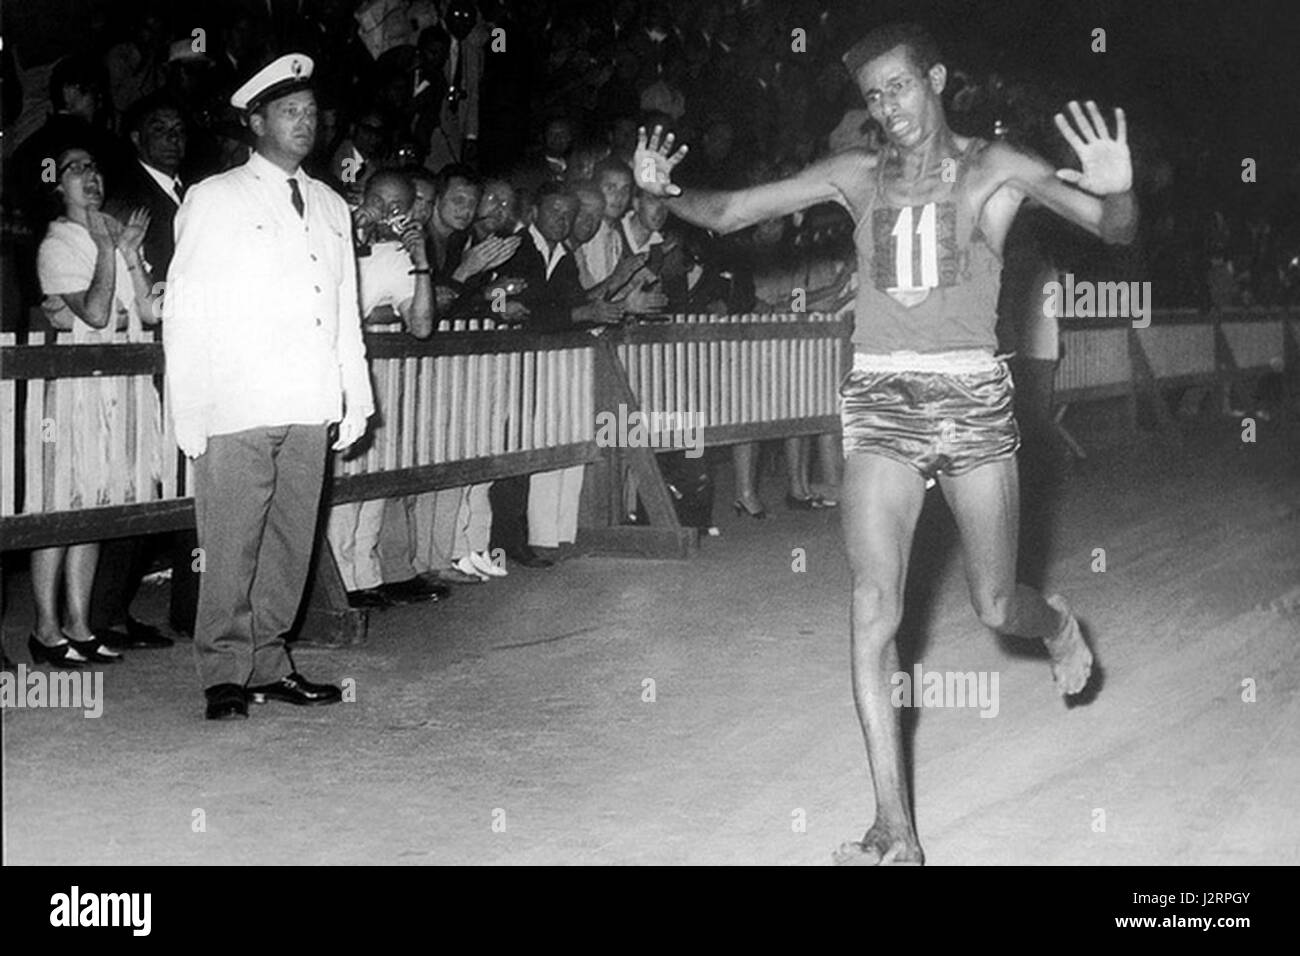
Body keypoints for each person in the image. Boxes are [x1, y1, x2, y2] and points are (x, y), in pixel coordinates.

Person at [634, 22, 1136, 865]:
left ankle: (1055, 627)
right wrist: (663, 190)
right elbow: (729, 211)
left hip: (971, 401)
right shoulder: (855, 174)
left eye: (900, 86)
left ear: (936, 79)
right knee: (873, 606)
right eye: (873, 95)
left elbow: (1112, 230)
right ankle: (894, 828)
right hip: (879, 400)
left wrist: (1119, 191)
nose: (888, 106)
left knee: (996, 606)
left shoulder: (995, 166)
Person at [164, 54, 374, 721]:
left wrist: (356, 395)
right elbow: (186, 309)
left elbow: (343, 308)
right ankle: (225, 671)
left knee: (290, 541)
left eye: (310, 112)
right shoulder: (216, 197)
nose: (304, 123)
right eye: (289, 112)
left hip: (308, 399)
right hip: (239, 400)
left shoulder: (331, 205)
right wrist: (188, 407)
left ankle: (269, 661)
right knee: (232, 543)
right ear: (255, 122)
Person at [32, 143, 163, 667]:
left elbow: (148, 313)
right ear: (57, 184)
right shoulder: (57, 243)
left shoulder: (113, 231)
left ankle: (79, 623)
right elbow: (95, 311)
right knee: (60, 506)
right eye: (75, 169)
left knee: (92, 509)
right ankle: (45, 628)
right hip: (76, 389)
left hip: (119, 386)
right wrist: (108, 251)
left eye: (94, 167)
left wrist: (129, 252)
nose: (90, 175)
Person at [327, 169, 448, 608]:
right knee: (343, 480)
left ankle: (365, 575)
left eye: (398, 207)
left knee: (373, 476)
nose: (386, 213)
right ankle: (340, 581)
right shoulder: (330, 229)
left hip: (370, 374)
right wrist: (351, 229)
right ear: (361, 195)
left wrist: (420, 260)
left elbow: (421, 325)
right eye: (379, 202)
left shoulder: (398, 256)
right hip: (325, 372)